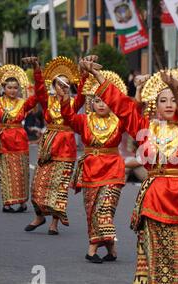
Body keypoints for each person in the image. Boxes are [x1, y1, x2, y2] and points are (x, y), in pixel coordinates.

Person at [80, 55, 178, 284]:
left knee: (177, 271)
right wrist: (98, 76)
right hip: (153, 204)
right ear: (155, 105)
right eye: (163, 100)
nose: (169, 104)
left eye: (174, 99)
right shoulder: (145, 129)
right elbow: (122, 107)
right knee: (157, 267)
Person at [61, 69, 129, 263]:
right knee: (92, 210)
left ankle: (92, 248)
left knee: (105, 209)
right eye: (97, 100)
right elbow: (68, 117)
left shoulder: (119, 120)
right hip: (90, 170)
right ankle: (111, 248)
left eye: (106, 101)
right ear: (91, 102)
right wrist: (66, 98)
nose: (101, 105)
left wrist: (139, 89)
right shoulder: (84, 120)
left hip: (113, 170)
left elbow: (132, 109)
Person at [24, 56, 85, 235]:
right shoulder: (48, 101)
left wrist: (84, 72)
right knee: (37, 186)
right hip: (48, 147)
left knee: (59, 188)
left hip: (66, 149)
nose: (63, 87)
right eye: (60, 84)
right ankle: (39, 216)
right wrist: (36, 67)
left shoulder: (74, 103)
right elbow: (39, 89)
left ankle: (54, 224)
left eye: (67, 84)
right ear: (54, 85)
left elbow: (82, 92)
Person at [0, 62, 43, 213]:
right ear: (3, 88)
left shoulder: (23, 103)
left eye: (15, 88)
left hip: (20, 142)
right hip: (4, 142)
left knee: (21, 173)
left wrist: (37, 73)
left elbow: (39, 96)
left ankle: (21, 203)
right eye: (9, 87)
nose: (13, 91)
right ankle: (7, 203)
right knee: (6, 172)